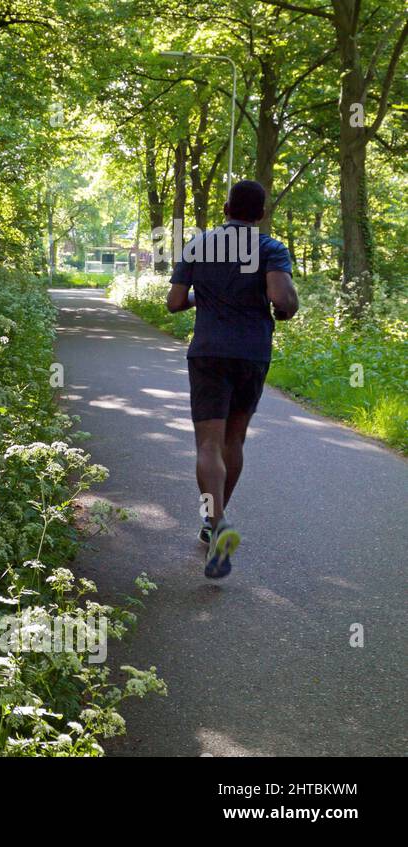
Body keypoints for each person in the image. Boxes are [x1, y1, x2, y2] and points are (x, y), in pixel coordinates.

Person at [165, 180, 299, 579]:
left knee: (208, 443)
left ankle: (216, 520)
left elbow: (174, 302)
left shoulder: (198, 244)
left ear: (225, 208)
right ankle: (216, 523)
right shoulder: (271, 248)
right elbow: (282, 299)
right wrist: (287, 308)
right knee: (233, 440)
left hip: (208, 352)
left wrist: (200, 296)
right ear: (260, 213)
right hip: (251, 353)